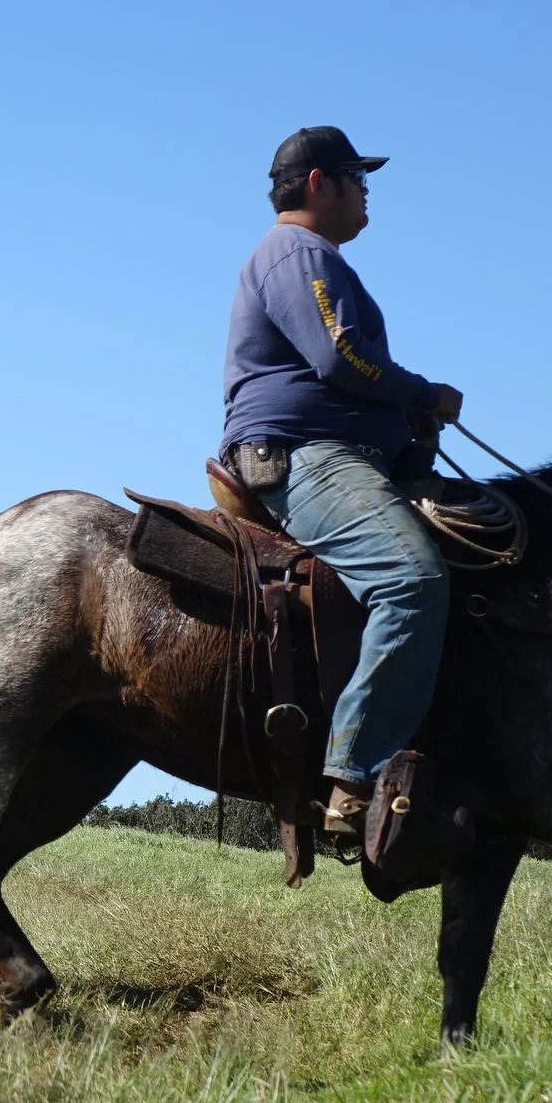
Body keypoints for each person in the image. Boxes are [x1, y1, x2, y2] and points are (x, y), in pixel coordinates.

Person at [220, 126, 464, 837]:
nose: (367, 193)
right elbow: (339, 359)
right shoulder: (299, 253)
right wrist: (422, 395)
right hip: (303, 454)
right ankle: (356, 773)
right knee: (410, 581)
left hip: (341, 449)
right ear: (320, 182)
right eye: (359, 178)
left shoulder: (312, 257)